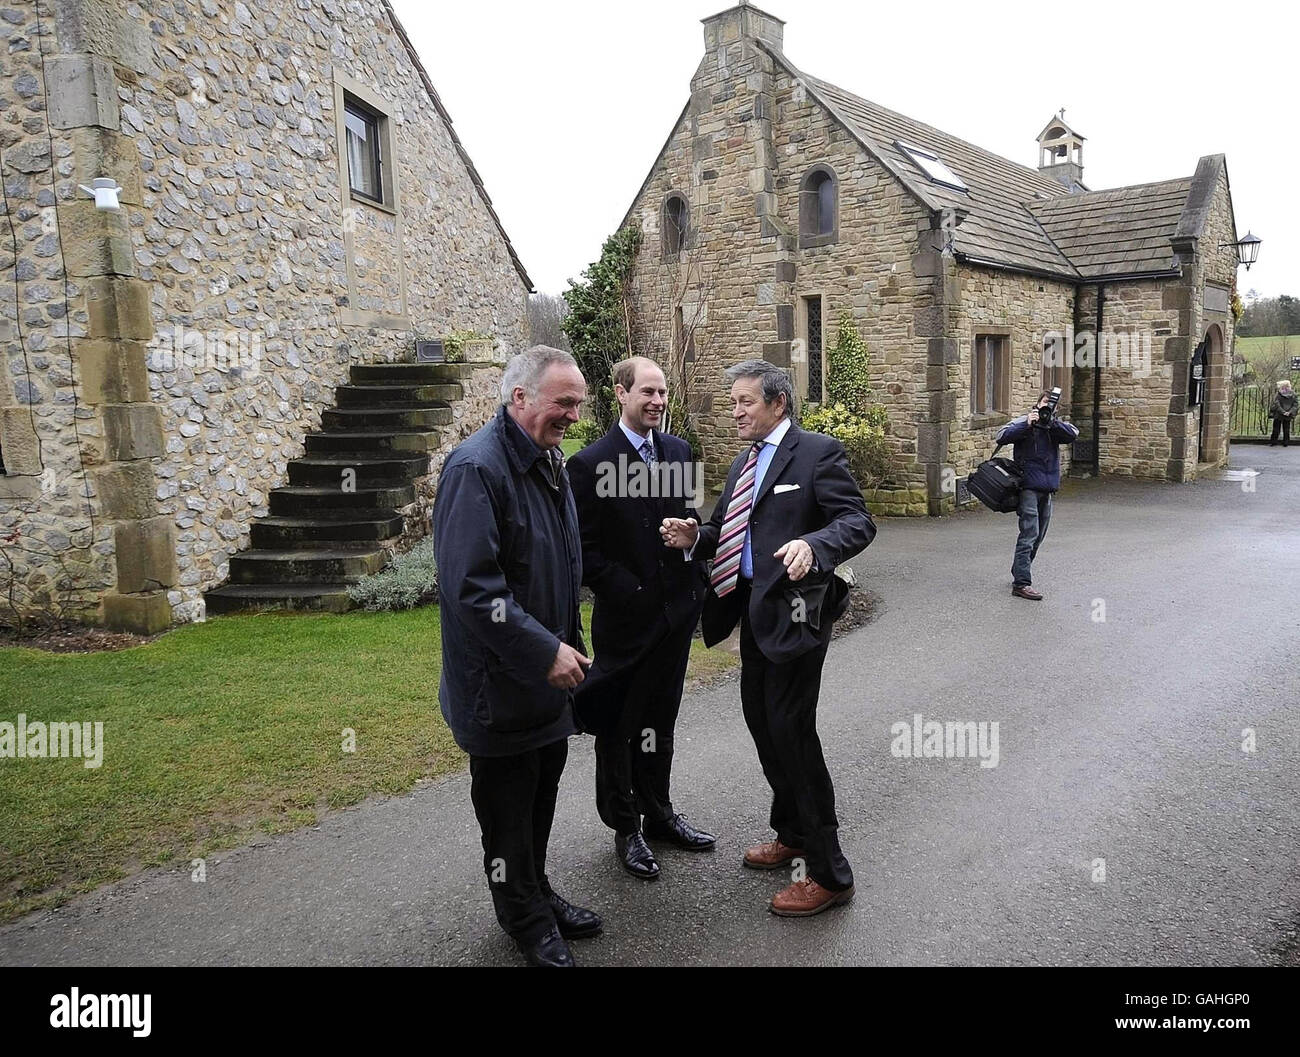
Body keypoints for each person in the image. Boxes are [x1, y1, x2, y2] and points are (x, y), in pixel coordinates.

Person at [661, 360, 875, 917]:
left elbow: (856, 521)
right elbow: (727, 531)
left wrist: (815, 545)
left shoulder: (817, 453)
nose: (735, 412)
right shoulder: (743, 462)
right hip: (753, 614)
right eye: (732, 402)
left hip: (800, 614)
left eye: (745, 402)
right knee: (763, 724)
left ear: (778, 403)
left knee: (792, 733)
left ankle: (830, 874)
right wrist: (695, 537)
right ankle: (794, 834)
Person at [433, 345, 599, 968]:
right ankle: (523, 919)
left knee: (540, 797)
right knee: (506, 811)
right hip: (499, 686)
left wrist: (567, 649)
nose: (574, 416)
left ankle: (537, 892)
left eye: (578, 404)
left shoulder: (548, 460)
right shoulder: (476, 469)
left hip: (546, 681)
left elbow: (554, 565)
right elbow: (472, 588)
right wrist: (541, 650)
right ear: (520, 396)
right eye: (564, 403)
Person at [567, 356, 715, 882]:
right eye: (647, 392)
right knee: (619, 725)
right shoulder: (589, 464)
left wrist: (691, 531)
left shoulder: (678, 451)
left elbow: (698, 520)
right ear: (621, 393)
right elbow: (582, 551)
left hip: (676, 619)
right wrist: (630, 591)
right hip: (627, 623)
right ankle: (625, 827)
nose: (657, 402)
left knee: (661, 721)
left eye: (663, 393)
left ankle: (660, 814)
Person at [995, 391, 1079, 601]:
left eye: (1051, 405)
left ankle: (1019, 571)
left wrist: (1052, 423)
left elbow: (1073, 435)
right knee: (1029, 533)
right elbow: (1001, 436)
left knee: (1039, 535)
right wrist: (1026, 424)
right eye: (1044, 403)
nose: (1046, 407)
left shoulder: (1055, 426)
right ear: (1037, 403)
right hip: (1028, 488)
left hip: (1047, 488)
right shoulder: (1025, 422)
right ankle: (1022, 583)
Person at [1269, 379, 1297, 446]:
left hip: (1278, 414)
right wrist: (1289, 412)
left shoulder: (1279, 394)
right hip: (1288, 414)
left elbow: (1276, 404)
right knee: (1286, 429)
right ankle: (1286, 442)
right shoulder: (1293, 394)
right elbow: (1295, 405)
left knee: (1276, 428)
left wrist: (1282, 411)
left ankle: (1274, 442)